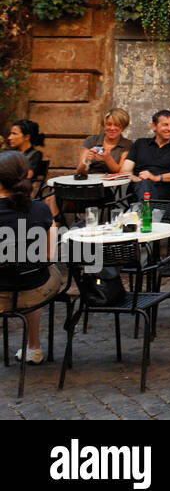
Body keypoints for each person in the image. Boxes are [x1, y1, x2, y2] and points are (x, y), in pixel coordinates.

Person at [0, 150, 65, 365]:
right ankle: (33, 347)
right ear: (27, 175)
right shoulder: (40, 210)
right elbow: (49, 255)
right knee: (39, 269)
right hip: (32, 292)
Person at [120, 110, 170, 201]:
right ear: (154, 126)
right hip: (137, 189)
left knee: (146, 187)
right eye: (165, 125)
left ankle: (144, 211)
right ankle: (147, 211)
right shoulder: (140, 144)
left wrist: (156, 178)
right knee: (144, 184)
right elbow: (124, 171)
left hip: (163, 193)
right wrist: (136, 178)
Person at [76, 108, 132, 175]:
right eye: (109, 124)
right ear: (104, 126)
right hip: (91, 181)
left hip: (113, 183)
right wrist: (86, 161)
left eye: (117, 125)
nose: (112, 128)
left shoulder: (127, 144)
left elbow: (121, 173)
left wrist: (107, 159)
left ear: (123, 127)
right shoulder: (91, 140)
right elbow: (79, 172)